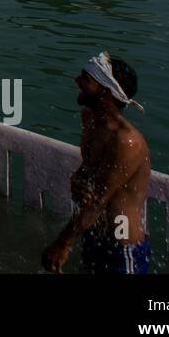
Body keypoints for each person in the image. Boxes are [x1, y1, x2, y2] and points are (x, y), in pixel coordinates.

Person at [42, 52, 150, 274]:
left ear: (105, 91)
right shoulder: (90, 122)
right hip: (93, 233)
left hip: (122, 243)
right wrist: (78, 180)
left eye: (86, 78)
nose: (77, 81)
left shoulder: (126, 141)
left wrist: (63, 243)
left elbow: (98, 201)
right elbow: (89, 173)